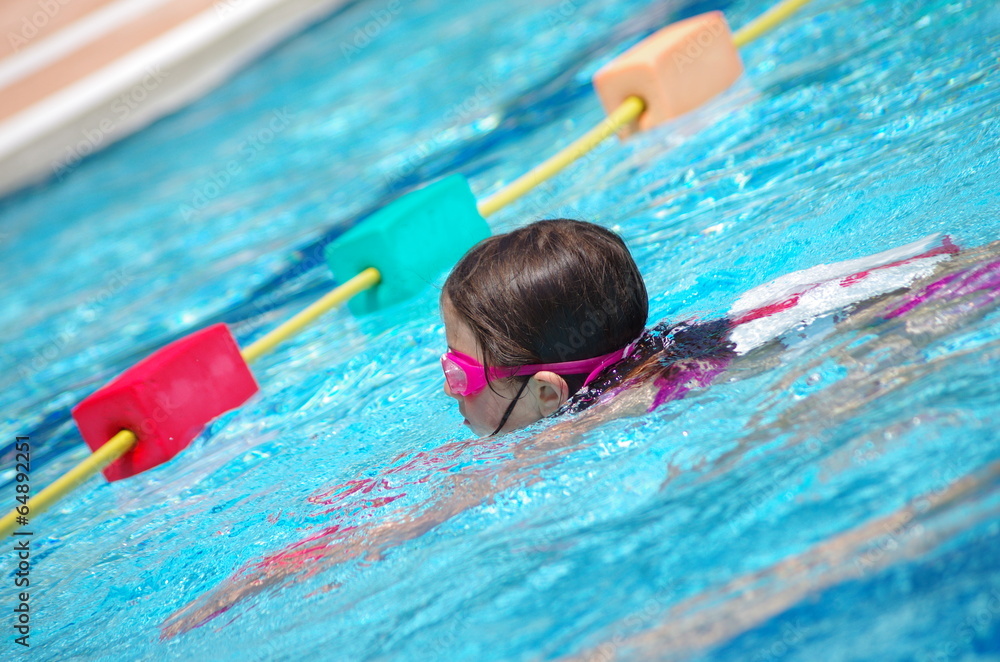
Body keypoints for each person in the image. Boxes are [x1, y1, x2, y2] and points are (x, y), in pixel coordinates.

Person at [162, 223, 981, 639]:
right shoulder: (642, 353)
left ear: (552, 392)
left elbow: (452, 501)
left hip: (930, 313)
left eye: (460, 372)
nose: (446, 386)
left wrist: (287, 566)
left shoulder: (612, 410)